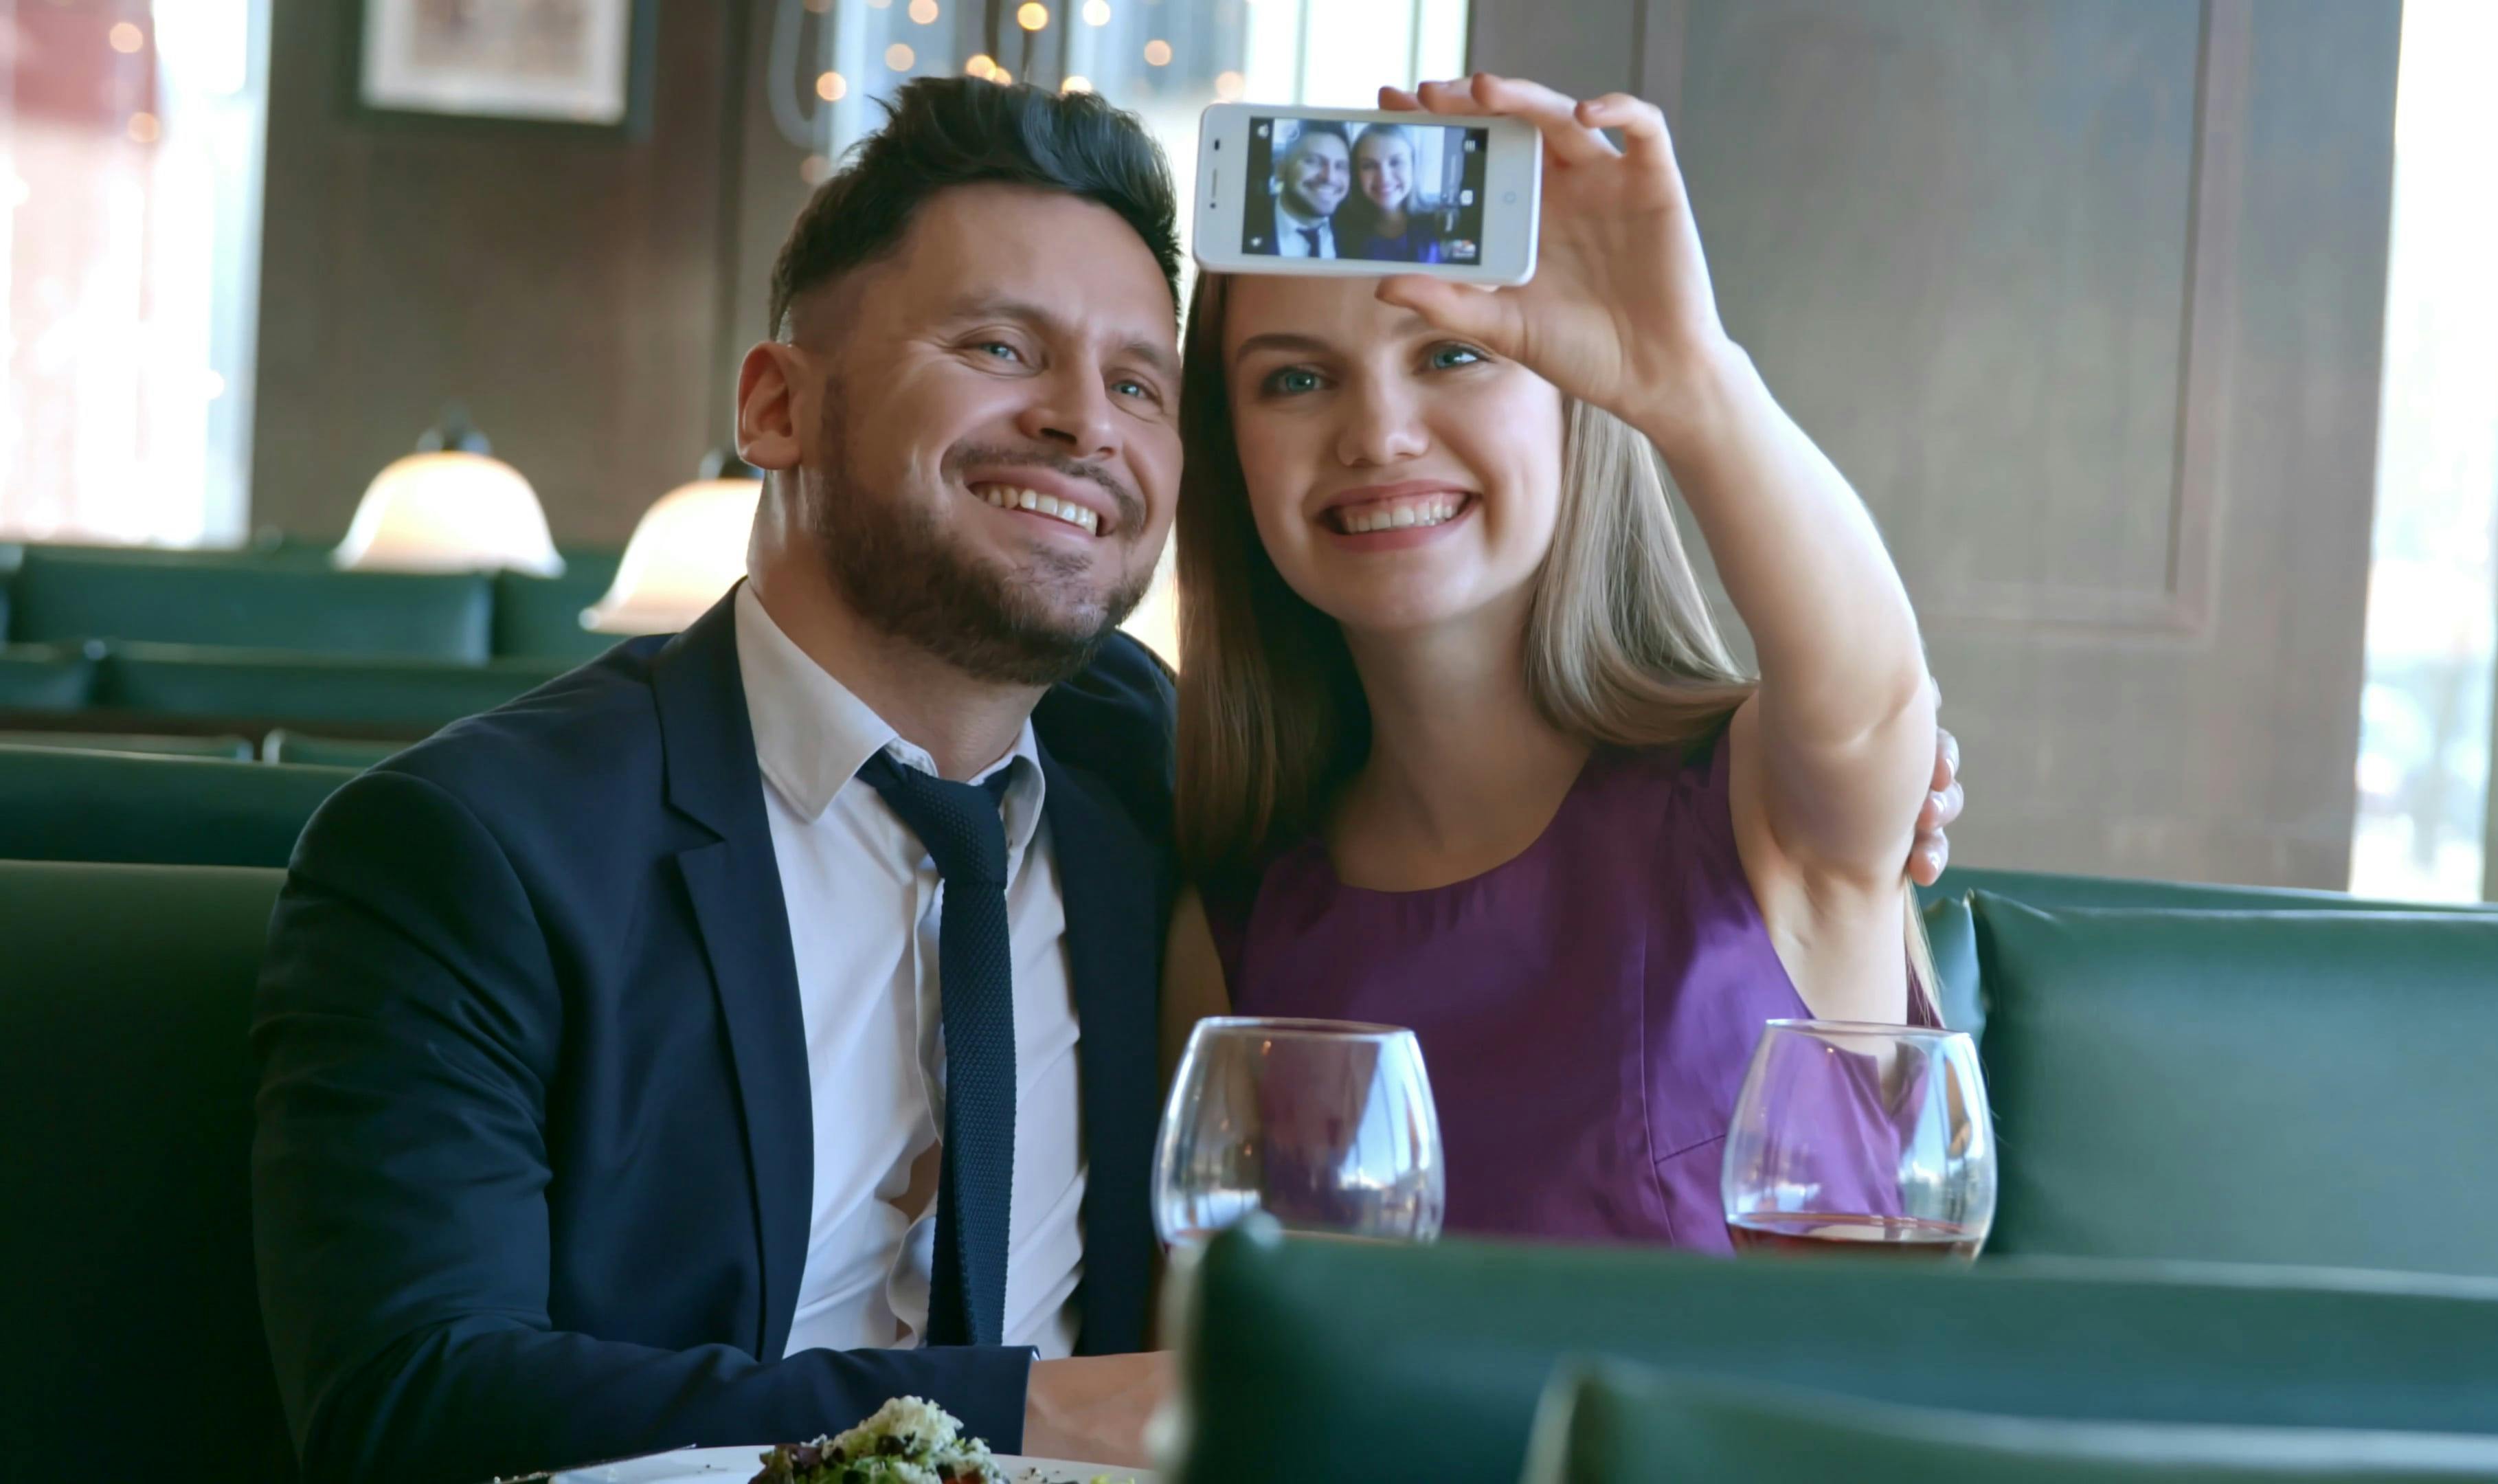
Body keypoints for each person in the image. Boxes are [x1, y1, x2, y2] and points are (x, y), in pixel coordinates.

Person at [251, 79, 1182, 1483]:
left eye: (1137, 384)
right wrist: (1027, 1411)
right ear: (776, 407)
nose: (1082, 424)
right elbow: (412, 1400)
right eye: (1000, 346)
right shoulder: (470, 850)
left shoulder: (1152, 780)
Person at [1163, 76, 1958, 1252]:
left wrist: (1689, 373)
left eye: (1454, 355)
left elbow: (1879, 700)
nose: (1377, 432)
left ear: (1578, 399)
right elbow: (1204, 1385)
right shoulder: (1236, 923)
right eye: (1295, 378)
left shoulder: (1756, 805)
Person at [1345, 123, 1446, 265]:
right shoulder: (1341, 230)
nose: (1384, 177)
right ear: (1356, 173)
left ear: (1413, 166)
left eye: (1395, 162)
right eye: (1369, 165)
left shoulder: (1442, 221)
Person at [1272, 120, 1351, 258]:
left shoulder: (1359, 235)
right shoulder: (1244, 227)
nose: (1330, 177)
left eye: (1340, 166)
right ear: (1280, 169)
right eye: (1313, 161)